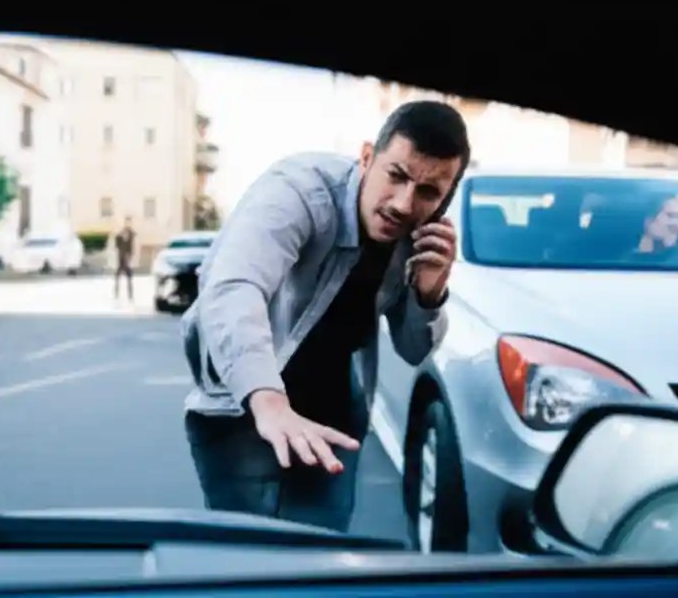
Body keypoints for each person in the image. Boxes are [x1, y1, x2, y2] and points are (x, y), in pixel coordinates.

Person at [180, 101, 469, 532]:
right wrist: (268, 402)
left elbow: (413, 350)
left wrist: (429, 295)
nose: (403, 203)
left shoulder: (420, 238)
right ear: (367, 157)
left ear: (444, 199)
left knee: (321, 548)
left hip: (333, 408)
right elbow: (234, 287)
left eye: (428, 192)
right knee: (246, 548)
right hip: (246, 400)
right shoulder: (297, 190)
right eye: (396, 175)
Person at [114, 217, 136, 301]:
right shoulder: (120, 234)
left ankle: (130, 296)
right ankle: (116, 294)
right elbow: (116, 245)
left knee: (129, 278)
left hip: (127, 259)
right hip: (121, 258)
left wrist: (131, 257)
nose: (128, 224)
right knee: (117, 277)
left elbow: (132, 247)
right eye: (126, 222)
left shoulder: (132, 234)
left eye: (129, 222)